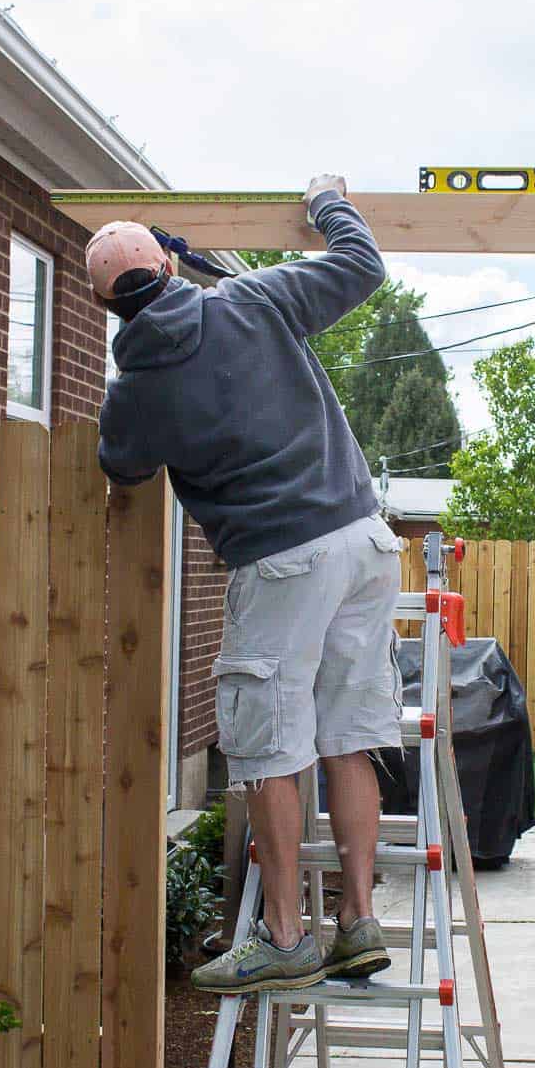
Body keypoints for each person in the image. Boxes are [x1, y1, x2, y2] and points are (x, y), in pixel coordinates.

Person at [90, 175, 404, 995]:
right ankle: (359, 920)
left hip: (281, 562)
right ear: (168, 261)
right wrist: (328, 201)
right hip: (367, 541)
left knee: (266, 747)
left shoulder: (139, 388)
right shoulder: (255, 299)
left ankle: (286, 936)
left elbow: (121, 467)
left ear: (110, 308)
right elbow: (361, 265)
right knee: (347, 734)